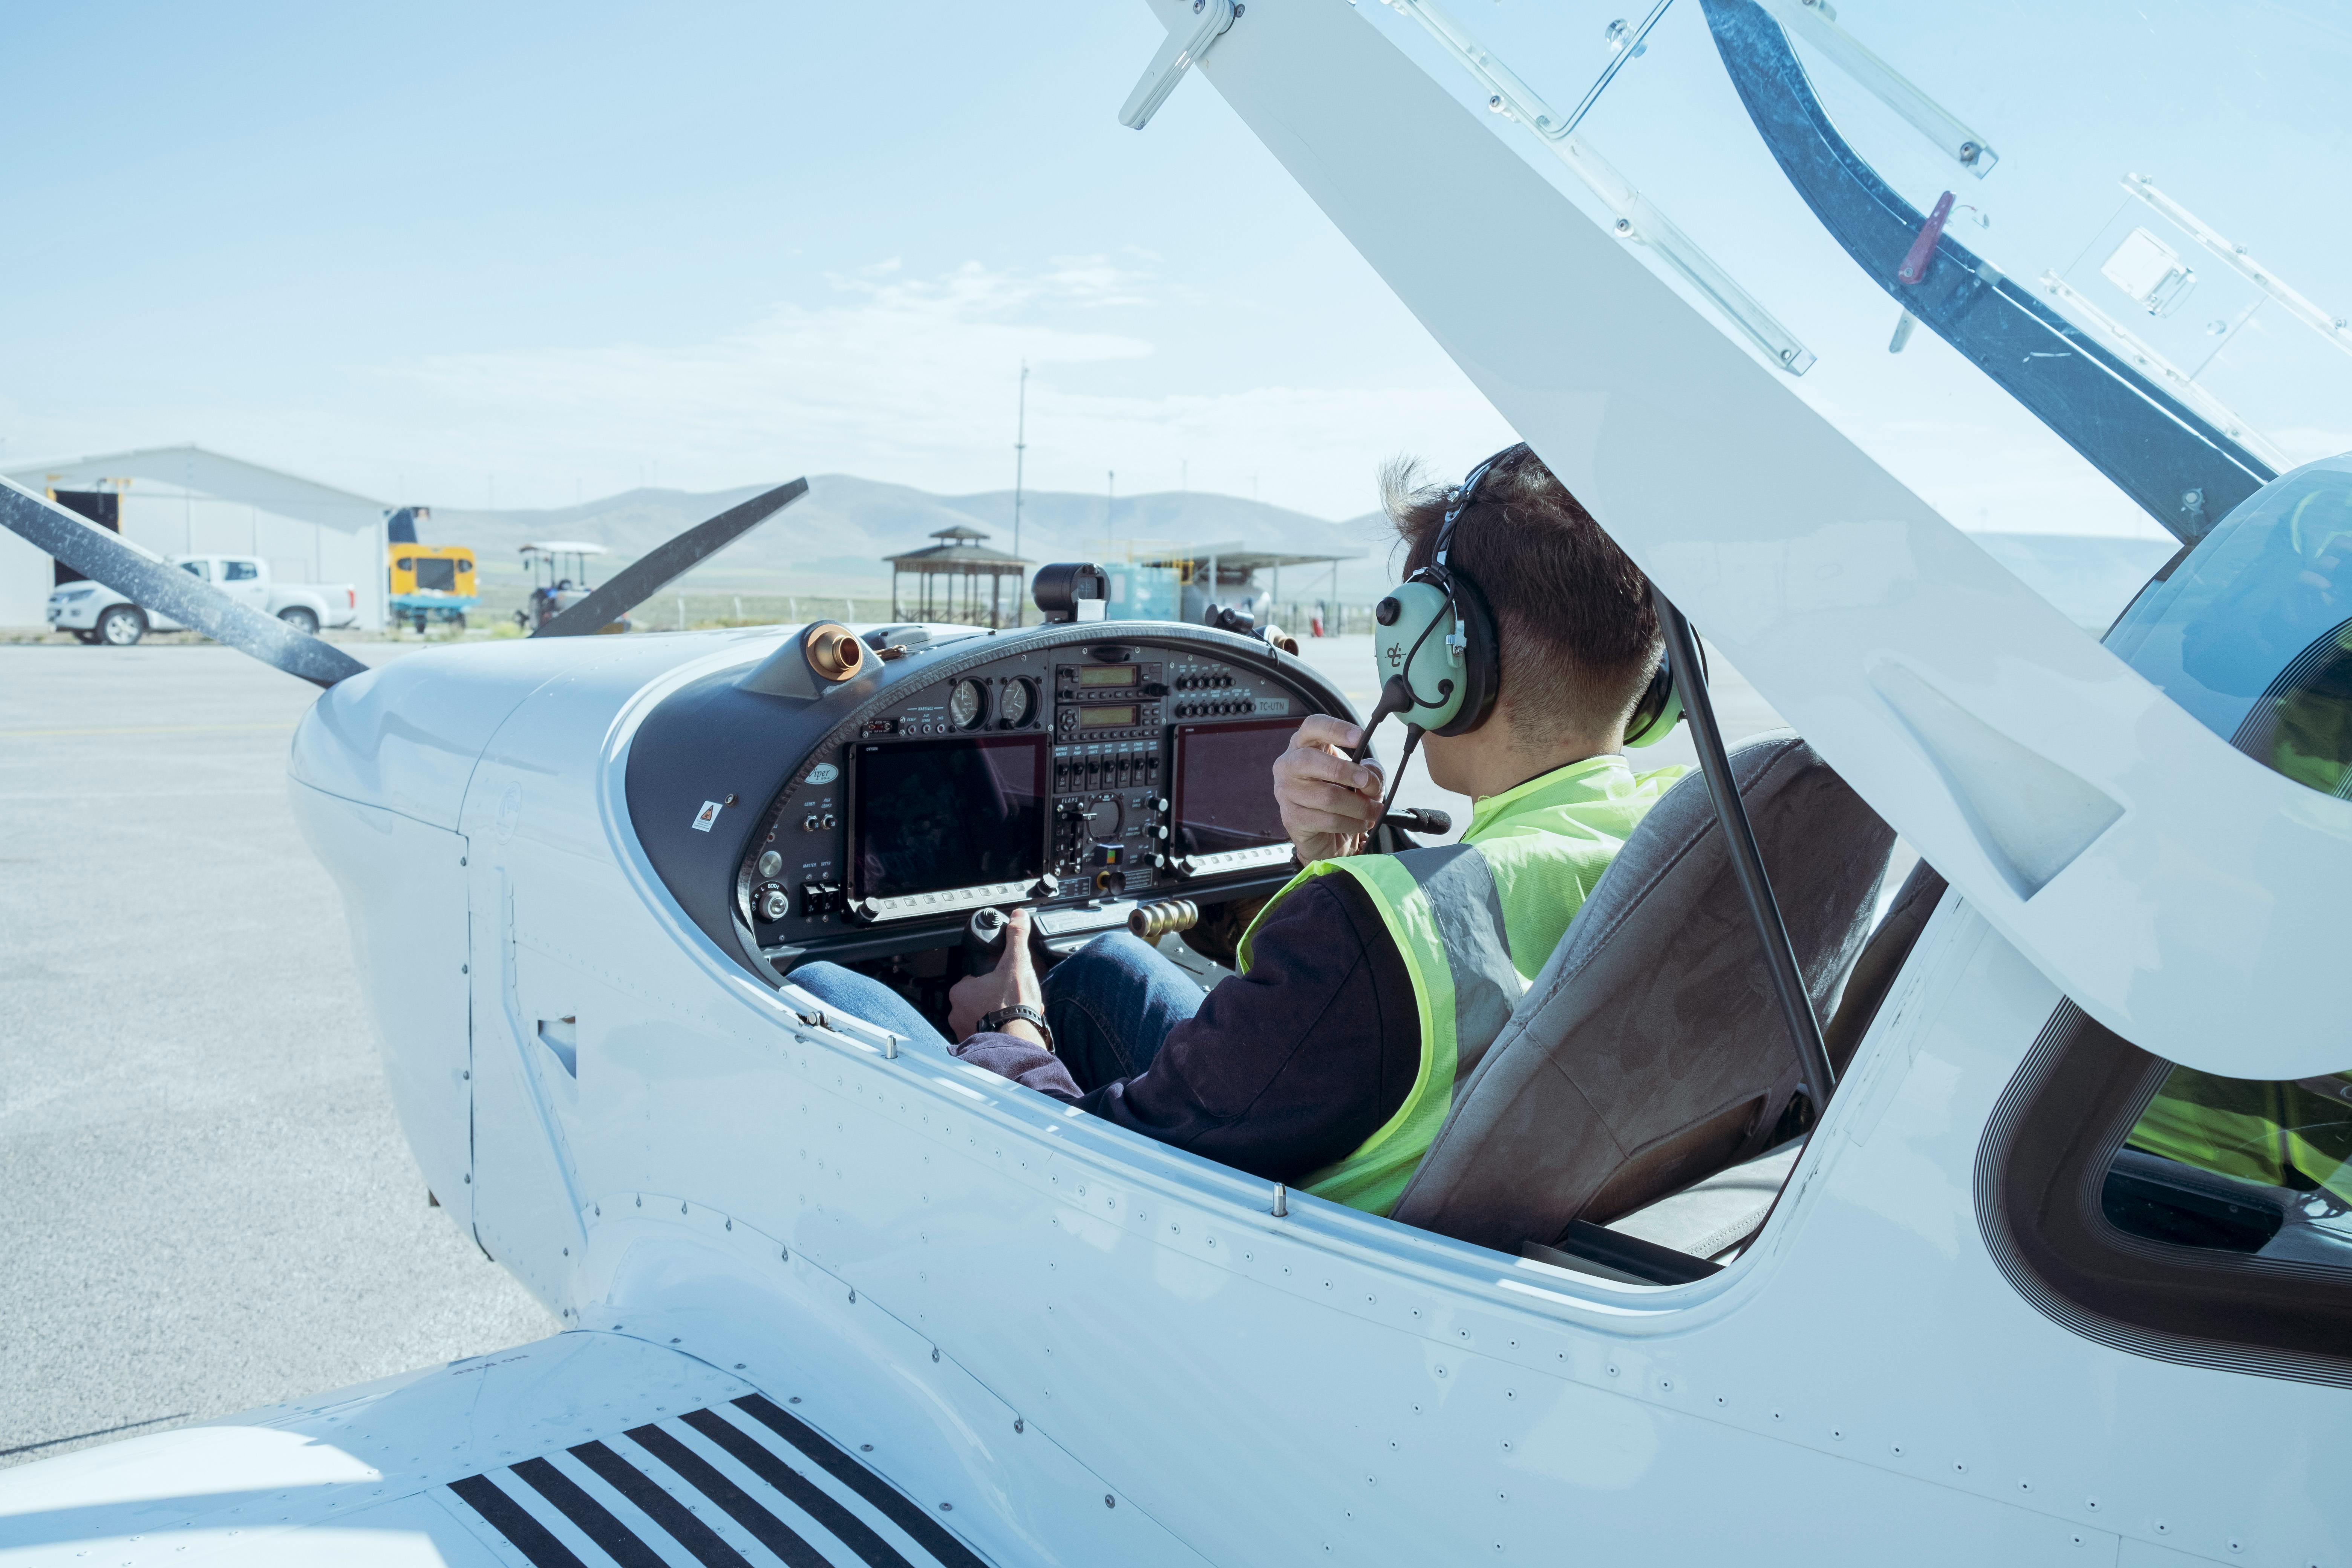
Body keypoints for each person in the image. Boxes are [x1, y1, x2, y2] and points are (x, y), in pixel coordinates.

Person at [790, 444, 1686, 1216]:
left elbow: (1102, 1159)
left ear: (1435, 651)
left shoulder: (1374, 931)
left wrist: (1014, 1028)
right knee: (1102, 964)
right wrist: (1332, 862)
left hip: (1248, 1237)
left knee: (827, 983)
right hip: (1441, 1175)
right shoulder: (1675, 835)